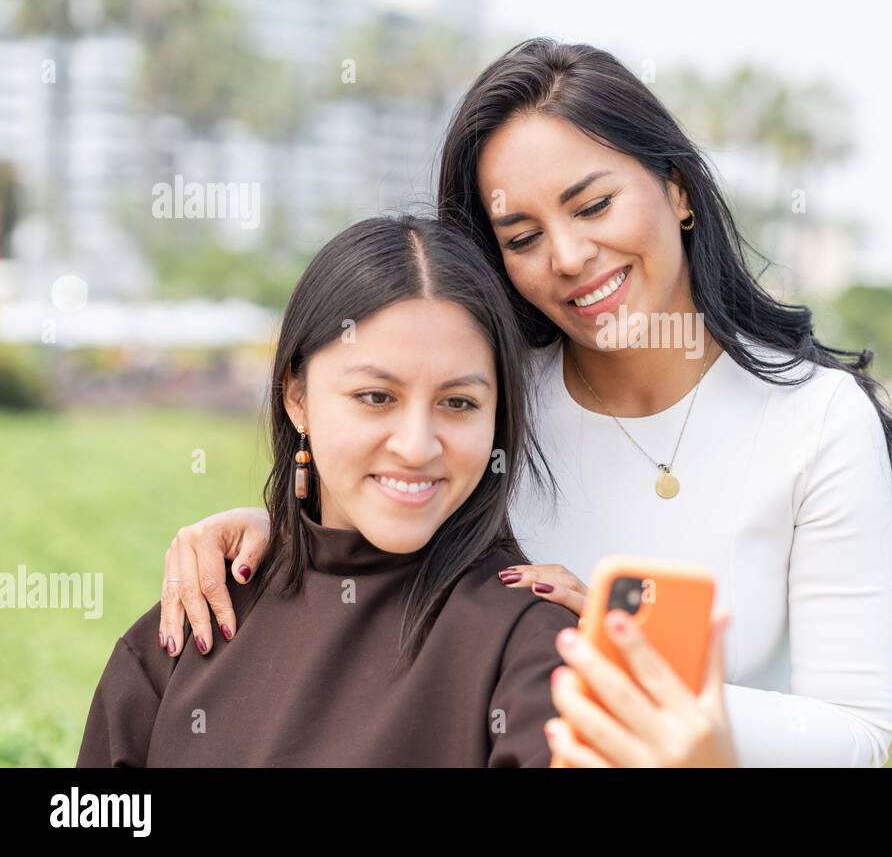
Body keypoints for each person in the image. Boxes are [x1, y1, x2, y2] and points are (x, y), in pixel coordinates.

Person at [150, 39, 892, 768]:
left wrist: (621, 660)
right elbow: (386, 540)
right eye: (521, 237)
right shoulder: (493, 408)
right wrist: (277, 534)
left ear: (678, 189)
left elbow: (855, 736)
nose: (571, 255)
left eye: (593, 205)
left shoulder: (818, 423)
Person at [78, 214, 586, 766]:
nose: (417, 446)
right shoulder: (192, 622)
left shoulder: (533, 646)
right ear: (297, 396)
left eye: (458, 403)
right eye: (375, 396)